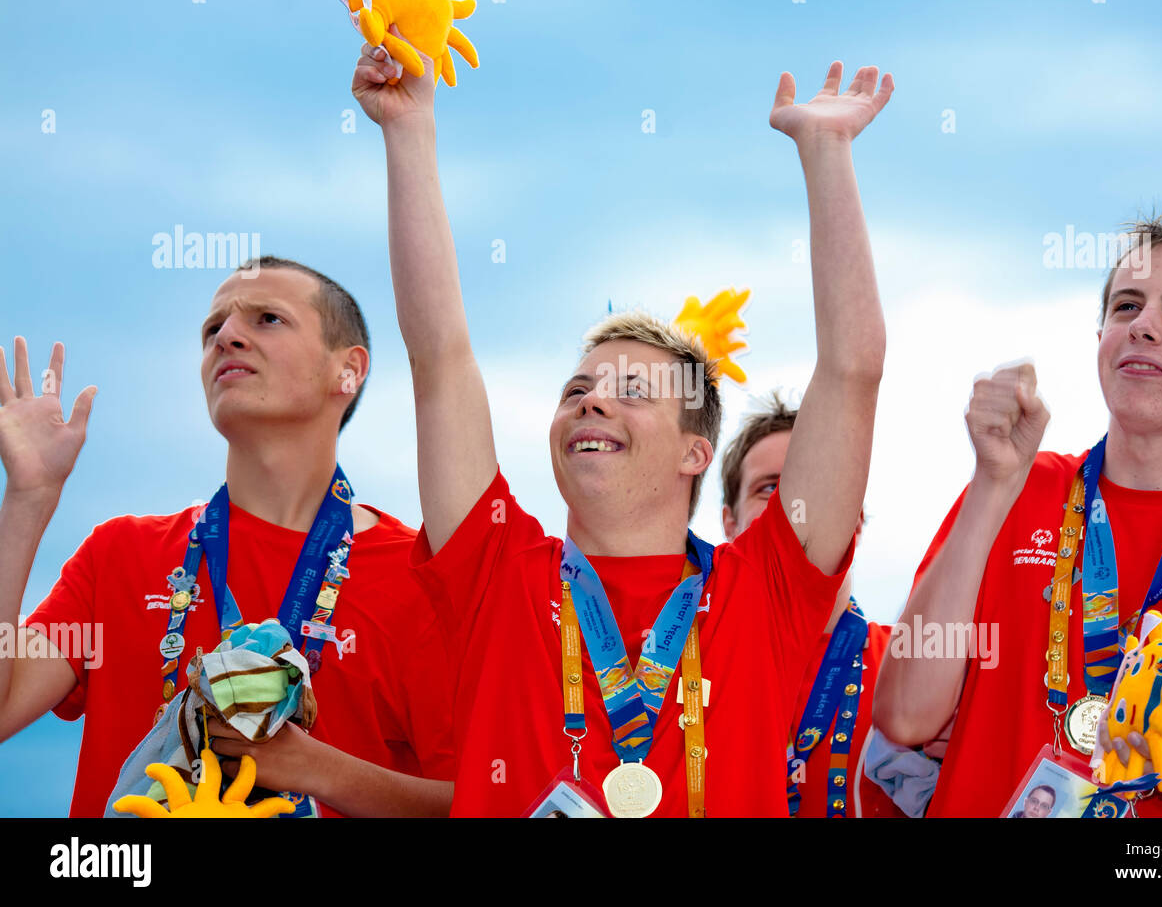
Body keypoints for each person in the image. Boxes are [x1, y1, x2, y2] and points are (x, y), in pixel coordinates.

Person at [353, 40, 893, 816]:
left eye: (631, 390)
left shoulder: (767, 588)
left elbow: (852, 370)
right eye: (578, 387)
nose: (591, 402)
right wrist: (409, 132)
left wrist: (827, 153)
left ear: (694, 451)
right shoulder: (497, 572)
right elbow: (439, 358)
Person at [874, 217, 1162, 817]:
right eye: (1127, 306)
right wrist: (993, 480)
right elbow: (905, 715)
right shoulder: (1016, 486)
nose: (1143, 326)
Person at [0, 258, 454, 816]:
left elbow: (491, 804)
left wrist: (317, 769)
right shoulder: (118, 553)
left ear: (349, 370)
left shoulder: (424, 580)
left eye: (266, 319)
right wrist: (27, 500)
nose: (227, 337)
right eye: (212, 329)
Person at [719, 392, 903, 818]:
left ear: (855, 515)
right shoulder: (687, 664)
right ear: (730, 524)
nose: (791, 509)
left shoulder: (911, 665)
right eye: (769, 488)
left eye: (817, 485)